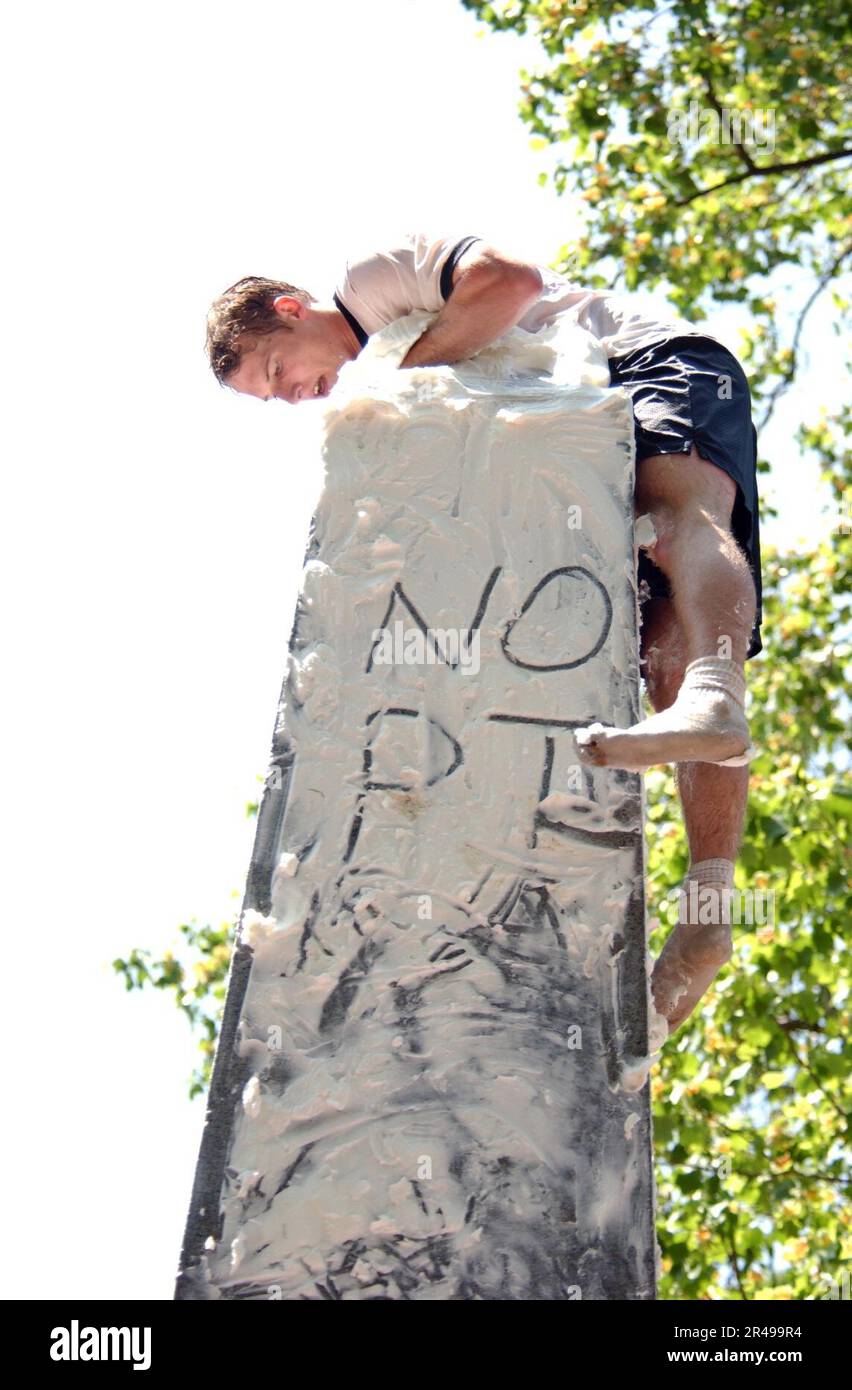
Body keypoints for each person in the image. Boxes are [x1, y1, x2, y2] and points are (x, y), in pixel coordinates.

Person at [206, 231, 763, 1033]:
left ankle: (718, 691)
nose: (292, 396)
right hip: (584, 428)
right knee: (663, 661)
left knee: (682, 524)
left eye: (275, 372)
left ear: (290, 312)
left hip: (649, 360)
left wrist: (405, 383)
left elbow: (508, 281)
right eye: (273, 398)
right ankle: (709, 910)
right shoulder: (379, 371)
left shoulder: (372, 286)